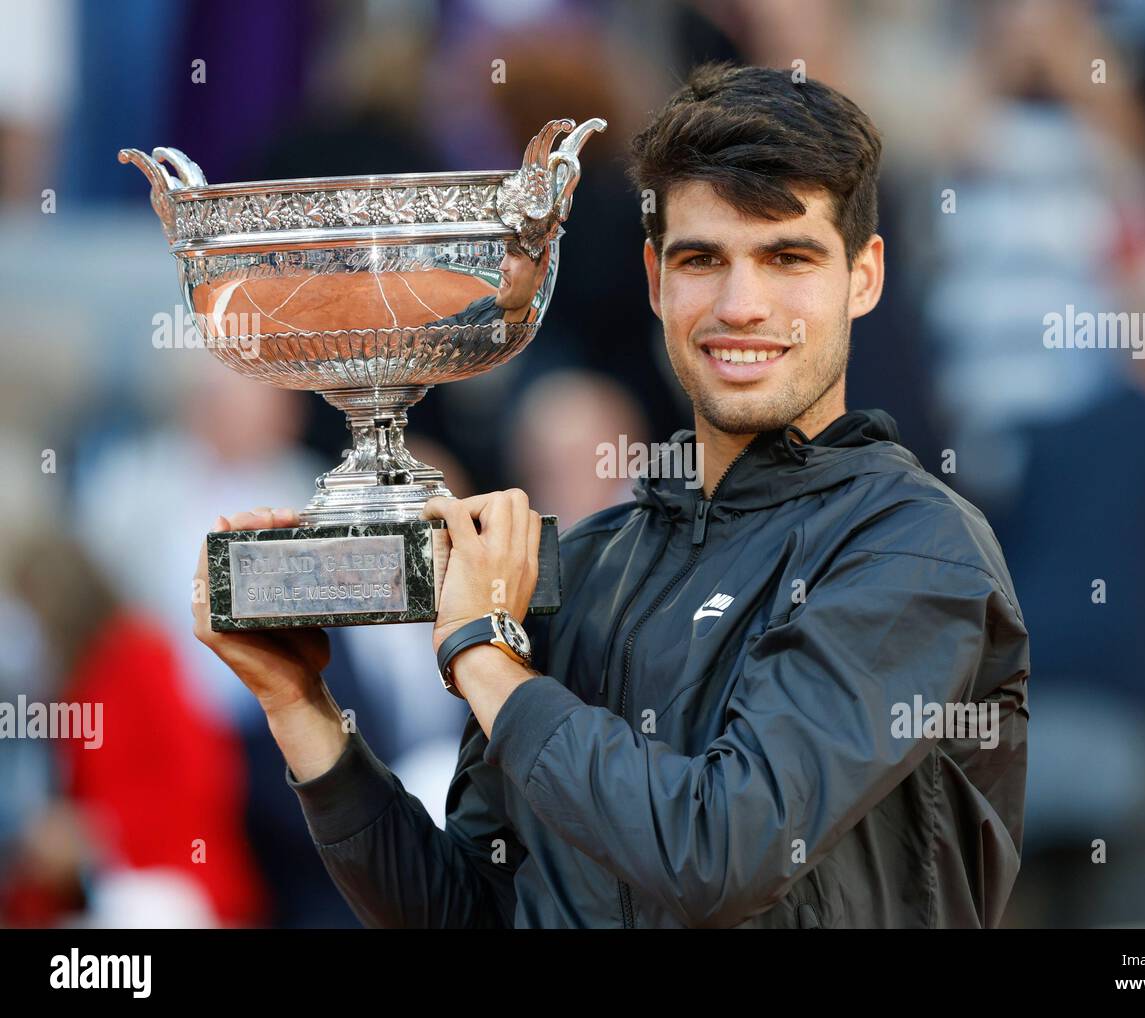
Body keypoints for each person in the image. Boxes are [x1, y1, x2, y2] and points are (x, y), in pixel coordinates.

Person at [192, 63, 1030, 928]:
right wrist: (303, 710)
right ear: (656, 279)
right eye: (702, 259)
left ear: (864, 276)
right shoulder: (589, 565)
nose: (742, 304)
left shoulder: (914, 549)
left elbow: (725, 851)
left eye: (788, 258)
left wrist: (483, 655)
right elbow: (474, 912)